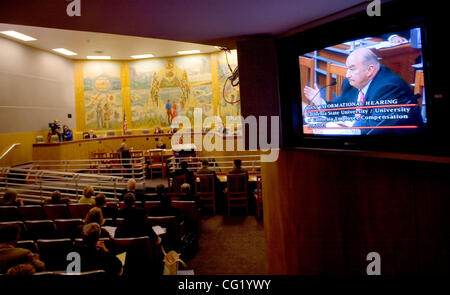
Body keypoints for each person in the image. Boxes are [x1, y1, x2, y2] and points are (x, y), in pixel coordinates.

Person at [303, 47, 423, 135]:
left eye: (352, 69)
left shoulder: (389, 88)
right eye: (347, 69)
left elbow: (373, 128)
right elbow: (339, 107)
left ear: (370, 70)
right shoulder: (351, 83)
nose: (347, 75)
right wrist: (320, 102)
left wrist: (332, 127)